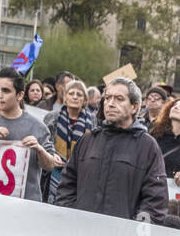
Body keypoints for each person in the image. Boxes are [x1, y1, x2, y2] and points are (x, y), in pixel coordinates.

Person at [54, 76, 168, 223]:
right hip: (81, 234)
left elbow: (155, 201)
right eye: (107, 98)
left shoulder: (147, 146)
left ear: (134, 106)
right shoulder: (88, 140)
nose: (110, 104)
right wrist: (71, 218)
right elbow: (66, 186)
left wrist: (135, 233)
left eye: (119, 98)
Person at [0, 68, 61, 203]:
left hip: (26, 202)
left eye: (6, 91)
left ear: (19, 95)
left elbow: (50, 165)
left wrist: (39, 149)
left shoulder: (38, 126)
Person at [47, 78, 94, 203]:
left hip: (80, 173)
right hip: (54, 170)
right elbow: (44, 140)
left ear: (84, 100)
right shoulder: (52, 117)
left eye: (79, 94)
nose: (75, 97)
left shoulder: (92, 120)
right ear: (65, 97)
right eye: (71, 93)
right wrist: (52, 153)